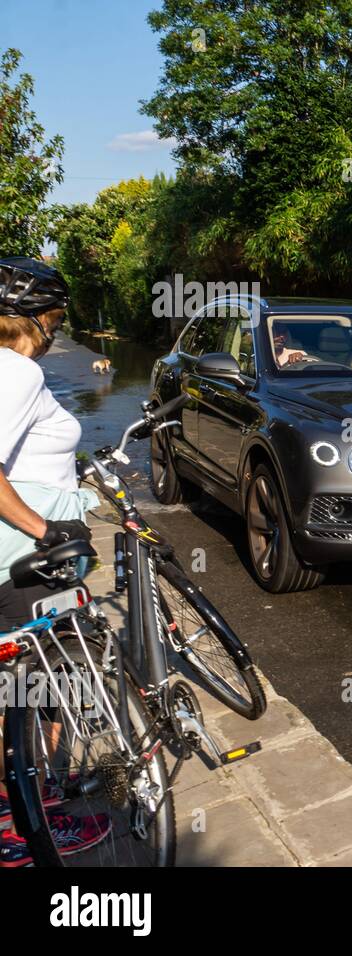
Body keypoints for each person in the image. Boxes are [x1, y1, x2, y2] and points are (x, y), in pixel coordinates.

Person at [0, 256, 109, 863]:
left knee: (14, 693)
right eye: (57, 316)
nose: (57, 329)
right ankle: (31, 824)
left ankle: (18, 817)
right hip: (24, 561)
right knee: (43, 688)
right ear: (36, 319)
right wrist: (47, 531)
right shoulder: (14, 371)